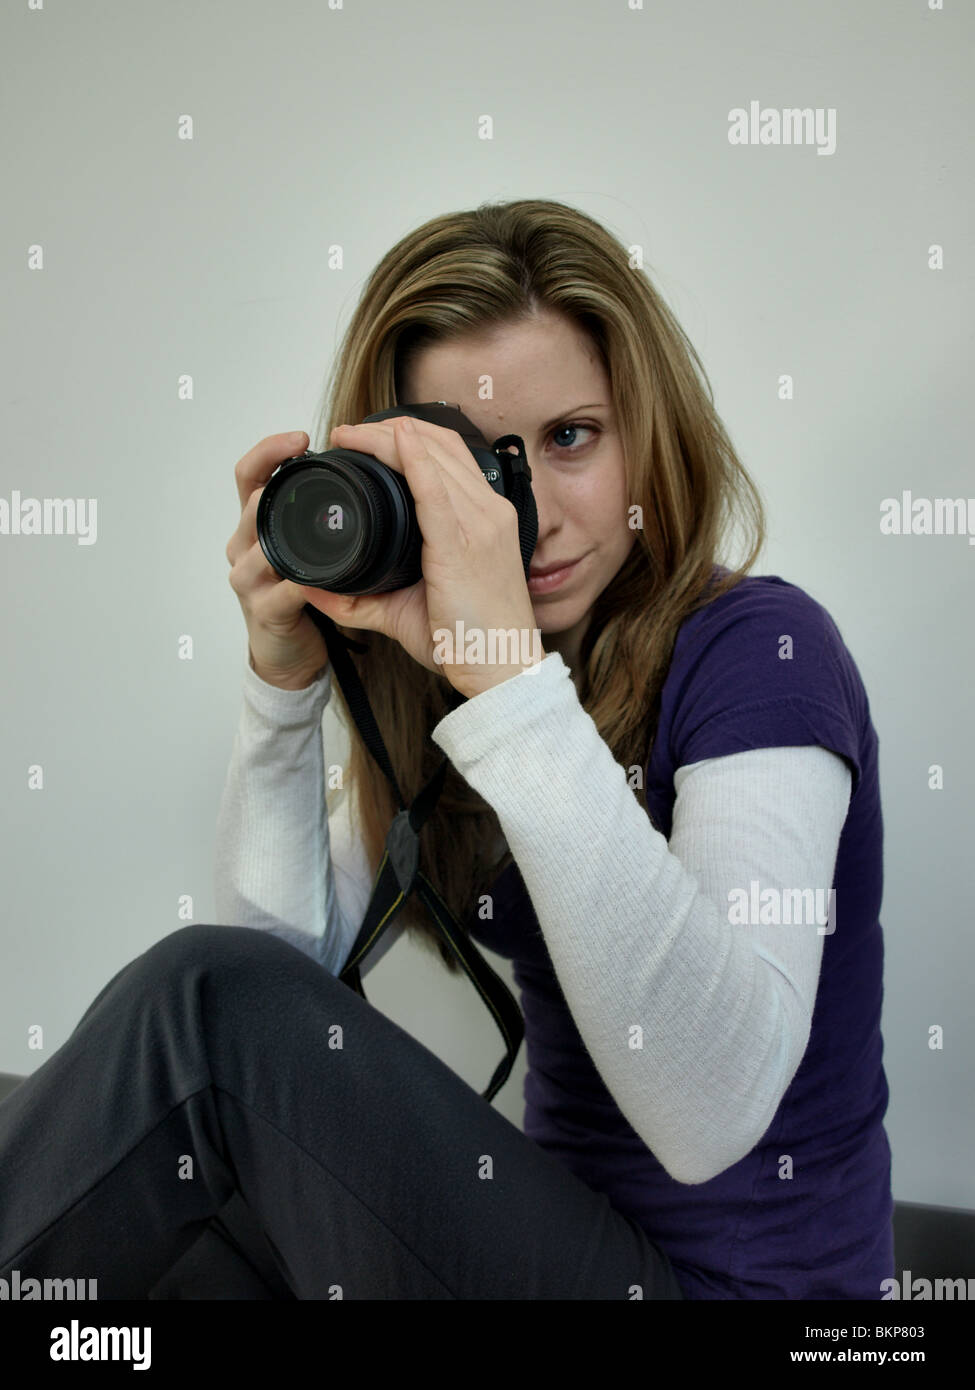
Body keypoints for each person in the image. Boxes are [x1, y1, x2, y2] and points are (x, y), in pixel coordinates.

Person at [0, 198, 893, 1300]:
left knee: (193, 1003)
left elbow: (710, 1114)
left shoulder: (763, 651)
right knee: (119, 1173)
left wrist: (509, 681)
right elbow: (280, 996)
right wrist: (282, 684)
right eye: (481, 467)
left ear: (648, 430)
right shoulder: (462, 692)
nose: (536, 515)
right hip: (553, 1261)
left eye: (573, 437)